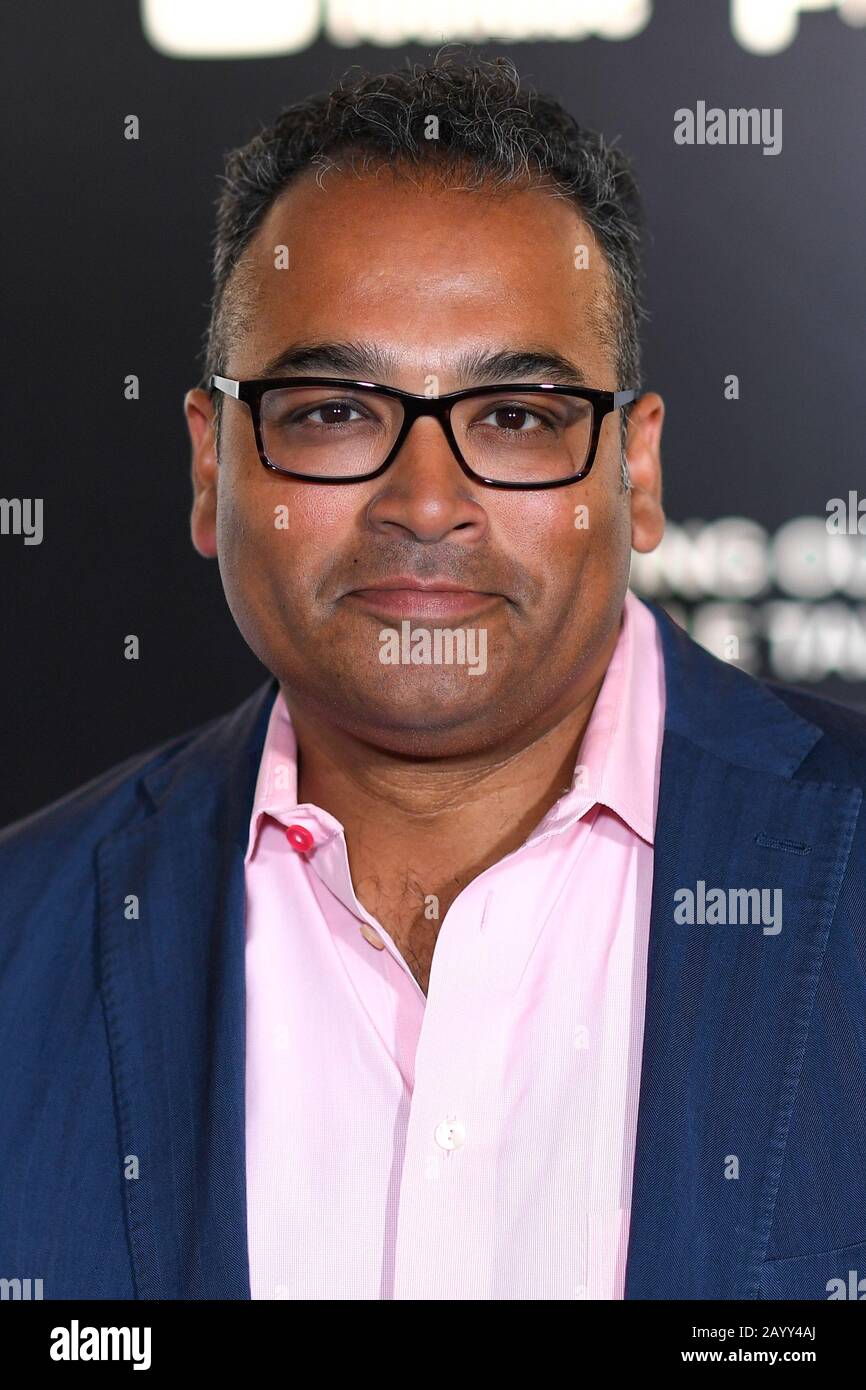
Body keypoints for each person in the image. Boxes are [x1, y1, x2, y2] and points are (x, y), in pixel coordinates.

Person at [2, 53, 865, 1303]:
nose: (424, 503)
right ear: (210, 466)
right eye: (332, 411)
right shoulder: (26, 938)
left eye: (515, 414)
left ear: (634, 471)